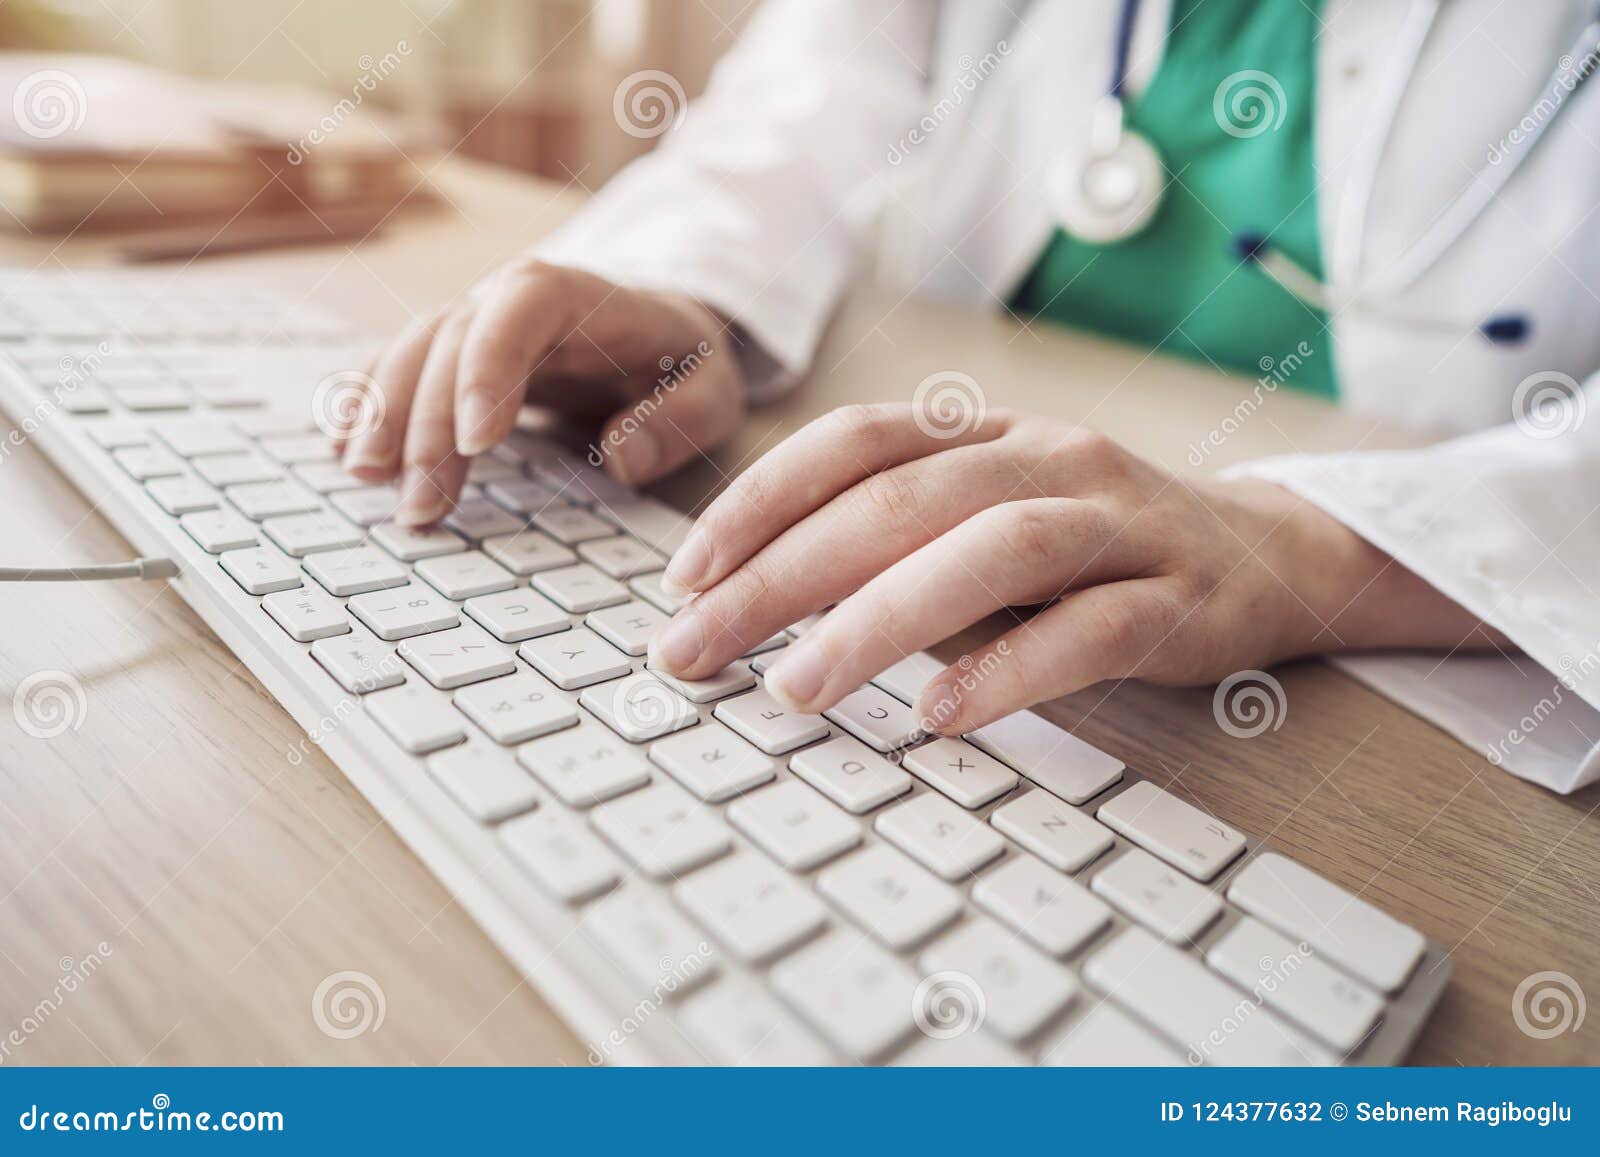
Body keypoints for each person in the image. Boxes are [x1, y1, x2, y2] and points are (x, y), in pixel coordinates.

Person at [341, 0, 1600, 793]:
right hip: (959, 521)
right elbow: (797, 106)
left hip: (1400, 667)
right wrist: (684, 296)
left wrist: (1328, 548)